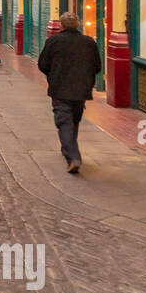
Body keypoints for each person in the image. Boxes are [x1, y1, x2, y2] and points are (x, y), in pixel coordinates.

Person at [37, 11, 102, 174]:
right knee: (74, 119)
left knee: (64, 121)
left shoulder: (54, 41)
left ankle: (73, 156)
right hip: (81, 88)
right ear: (78, 24)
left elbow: (43, 64)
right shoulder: (89, 42)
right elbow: (97, 67)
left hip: (60, 88)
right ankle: (68, 149)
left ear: (61, 25)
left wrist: (52, 76)